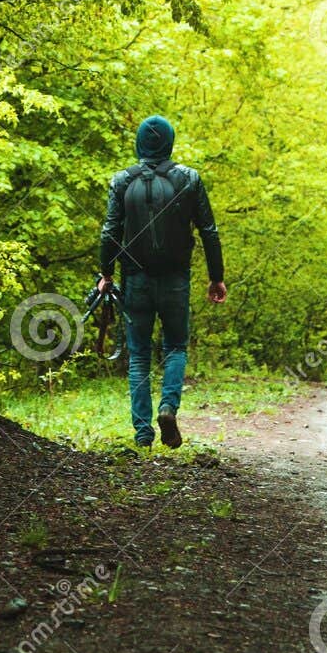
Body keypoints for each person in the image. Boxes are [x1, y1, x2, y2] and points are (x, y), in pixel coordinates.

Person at [98, 116, 226, 448]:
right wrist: (216, 277)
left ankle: (143, 434)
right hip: (175, 279)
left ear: (139, 143)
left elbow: (110, 232)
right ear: (169, 142)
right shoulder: (189, 179)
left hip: (135, 280)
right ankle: (168, 407)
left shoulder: (122, 181)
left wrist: (106, 273)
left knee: (139, 355)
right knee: (175, 347)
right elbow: (209, 232)